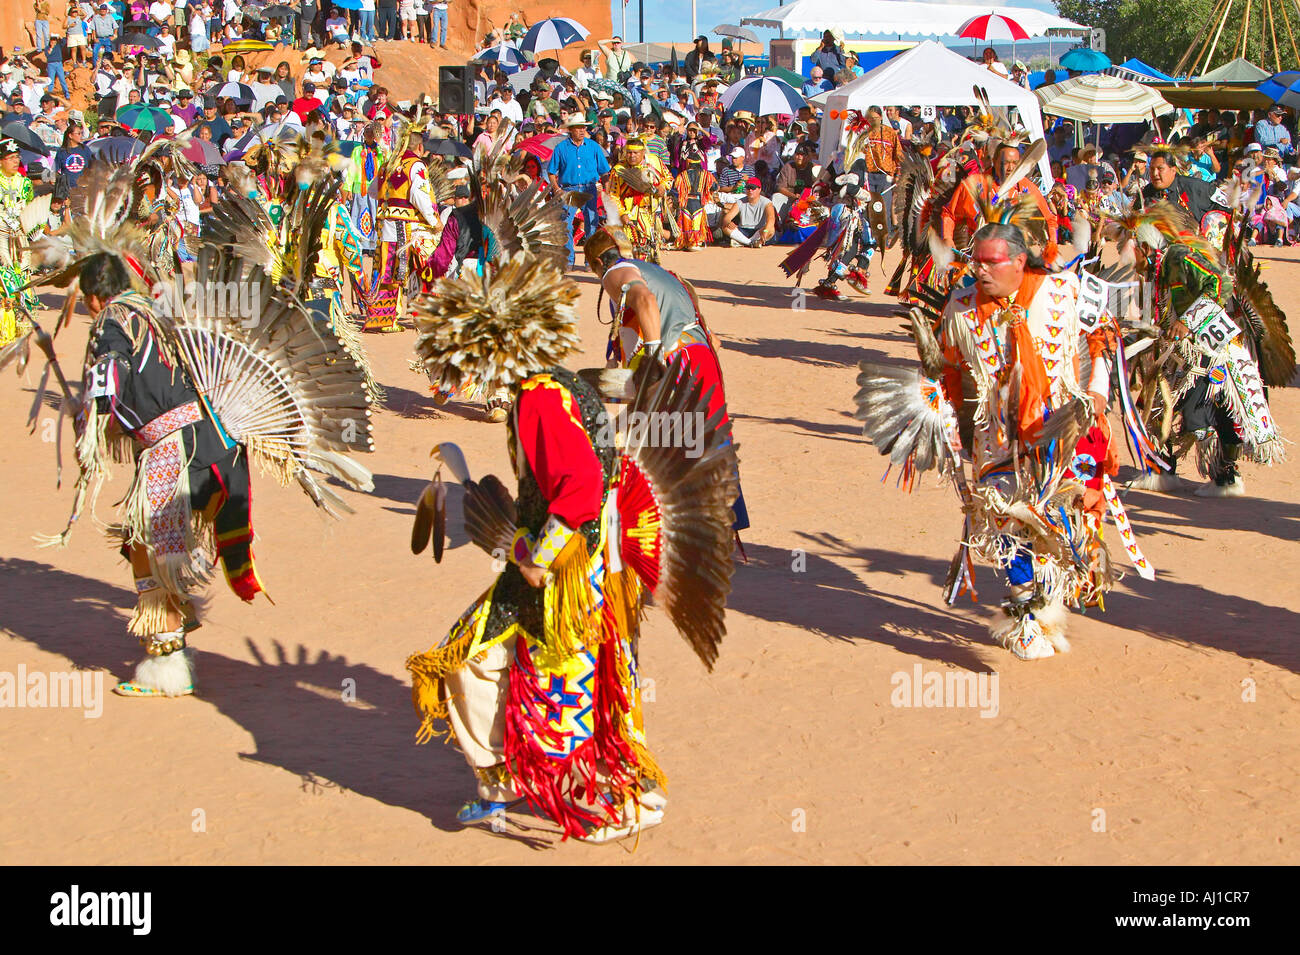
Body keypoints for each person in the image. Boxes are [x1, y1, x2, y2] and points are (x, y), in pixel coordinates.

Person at [546, 115, 610, 269]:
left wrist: (606, 191)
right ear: (571, 130)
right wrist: (556, 188)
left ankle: (590, 260)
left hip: (590, 188)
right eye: (578, 127)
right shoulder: (561, 148)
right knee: (566, 224)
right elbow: (551, 171)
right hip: (569, 189)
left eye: (584, 127)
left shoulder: (593, 147)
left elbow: (605, 171)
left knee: (592, 223)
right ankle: (569, 260)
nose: (582, 130)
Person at [608, 139, 668, 262]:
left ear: (643, 153)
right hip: (630, 214)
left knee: (650, 248)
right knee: (633, 247)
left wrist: (663, 187)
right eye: (629, 152)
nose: (632, 156)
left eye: (636, 153)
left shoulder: (655, 162)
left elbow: (668, 178)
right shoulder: (618, 170)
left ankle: (647, 274)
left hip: (651, 213)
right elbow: (613, 195)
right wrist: (622, 213)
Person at [1142, 148, 1226, 228]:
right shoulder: (1147, 193)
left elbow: (1228, 205)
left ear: (1173, 170)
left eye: (1160, 169)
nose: (1155, 173)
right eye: (1152, 169)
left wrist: (1213, 229)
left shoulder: (1194, 186)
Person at [672, 147, 715, 250]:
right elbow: (714, 187)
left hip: (686, 202)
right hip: (699, 202)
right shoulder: (706, 175)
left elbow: (674, 188)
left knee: (687, 221)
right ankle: (696, 241)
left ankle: (687, 241)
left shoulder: (682, 175)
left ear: (688, 163)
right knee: (697, 221)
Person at [719, 175, 775, 247]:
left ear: (759, 189)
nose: (750, 190)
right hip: (743, 230)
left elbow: (771, 219)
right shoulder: (740, 202)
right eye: (748, 188)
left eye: (753, 188)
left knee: (771, 229)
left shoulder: (767, 202)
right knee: (725, 227)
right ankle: (750, 243)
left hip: (759, 230)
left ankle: (743, 242)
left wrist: (765, 231)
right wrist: (729, 222)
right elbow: (727, 218)